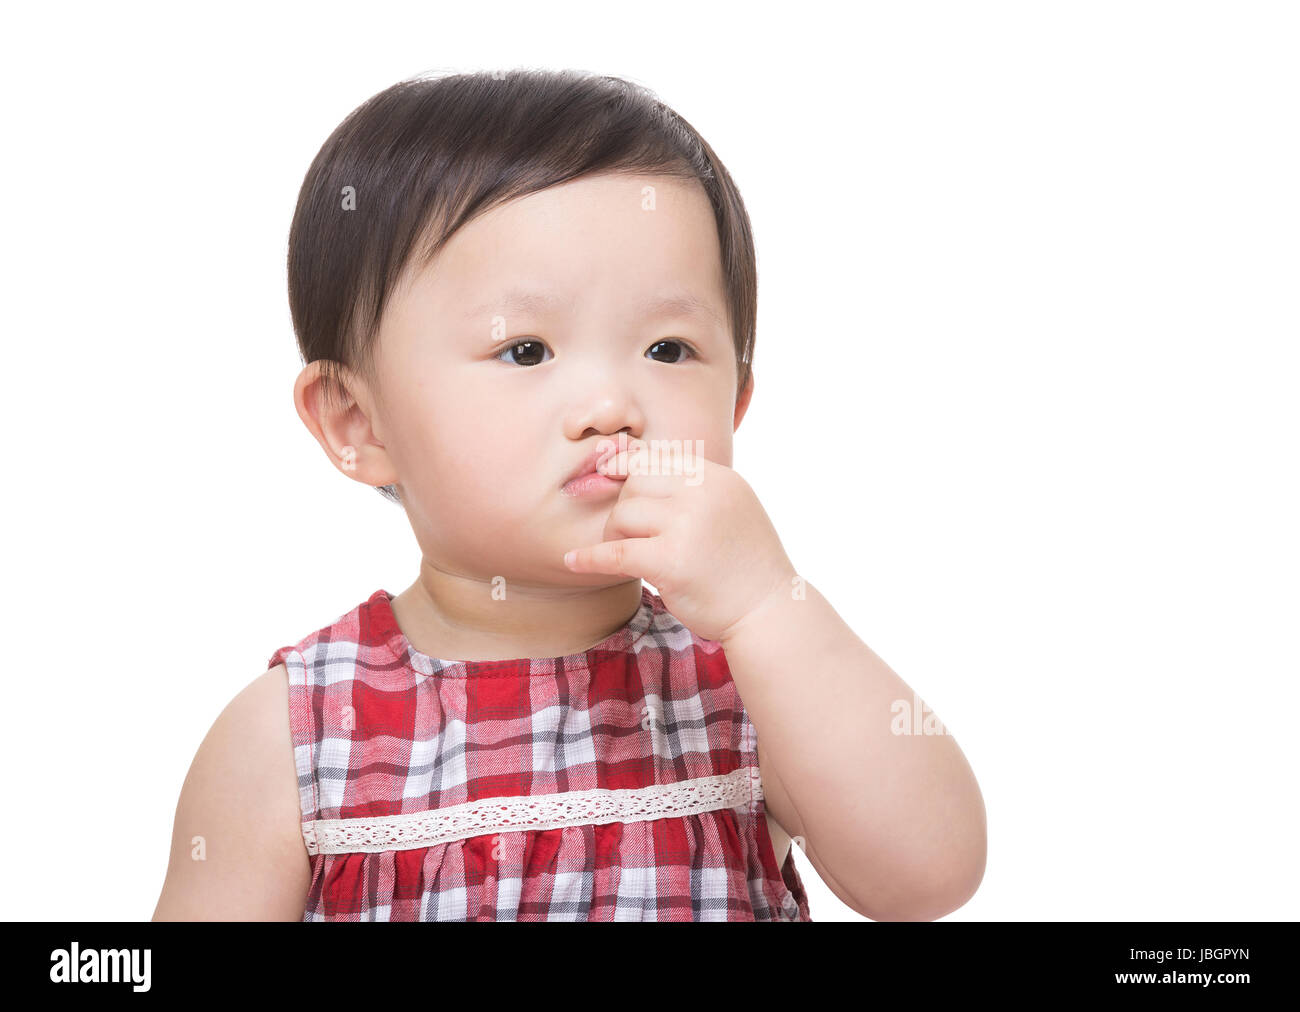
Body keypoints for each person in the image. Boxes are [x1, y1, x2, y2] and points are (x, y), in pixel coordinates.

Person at [152, 68, 986, 921]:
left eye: (667, 349)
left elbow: (930, 875)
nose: (611, 407)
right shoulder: (299, 734)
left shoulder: (750, 682)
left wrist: (771, 604)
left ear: (736, 401)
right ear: (358, 421)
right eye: (525, 350)